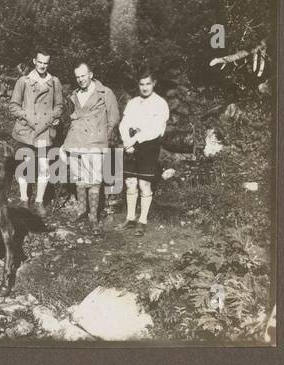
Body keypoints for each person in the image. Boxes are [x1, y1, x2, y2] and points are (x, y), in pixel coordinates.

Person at [60, 61, 120, 227]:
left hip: (95, 143)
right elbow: (71, 120)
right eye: (77, 77)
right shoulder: (74, 95)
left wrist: (103, 139)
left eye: (83, 76)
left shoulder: (105, 92)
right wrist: (66, 144)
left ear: (91, 75)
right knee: (79, 178)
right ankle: (81, 211)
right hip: (75, 142)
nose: (80, 79)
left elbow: (113, 118)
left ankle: (93, 216)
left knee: (94, 180)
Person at [9, 49, 63, 214]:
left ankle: (39, 202)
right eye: (39, 62)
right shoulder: (23, 81)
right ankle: (24, 199)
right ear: (34, 61)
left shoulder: (54, 82)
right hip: (26, 131)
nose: (42, 66)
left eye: (45, 63)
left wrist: (53, 117)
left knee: (44, 167)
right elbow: (13, 106)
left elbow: (59, 106)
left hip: (44, 131)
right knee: (24, 166)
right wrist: (26, 117)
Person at [119, 72, 170, 232]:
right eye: (142, 84)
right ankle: (130, 218)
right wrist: (127, 142)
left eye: (148, 84)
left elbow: (155, 130)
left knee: (144, 183)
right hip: (130, 146)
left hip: (148, 146)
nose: (145, 87)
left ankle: (142, 221)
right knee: (130, 182)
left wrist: (135, 140)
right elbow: (124, 124)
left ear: (153, 83)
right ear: (138, 85)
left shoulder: (160, 103)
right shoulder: (133, 102)